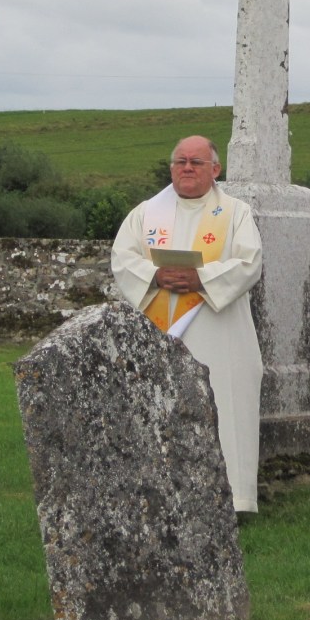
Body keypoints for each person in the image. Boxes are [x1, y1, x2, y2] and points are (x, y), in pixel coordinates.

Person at [111, 135, 264, 513]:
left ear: (216, 169)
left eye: (197, 162)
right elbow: (122, 258)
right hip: (159, 330)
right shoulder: (147, 213)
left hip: (220, 330)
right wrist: (155, 276)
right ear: (171, 168)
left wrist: (201, 280)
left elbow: (250, 263)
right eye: (180, 162)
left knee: (225, 407)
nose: (187, 168)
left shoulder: (235, 213)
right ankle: (160, 495)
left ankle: (232, 498)